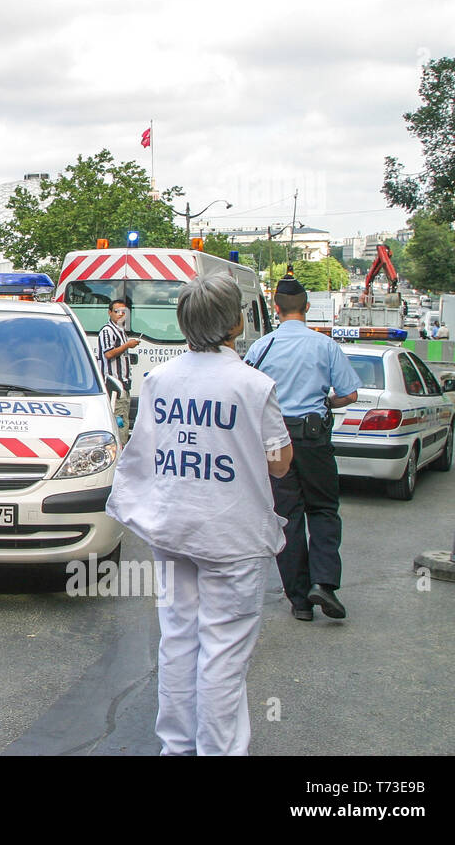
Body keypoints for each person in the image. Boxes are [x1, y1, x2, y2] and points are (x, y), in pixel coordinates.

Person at [106, 272, 293, 755]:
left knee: (178, 641)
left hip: (172, 529)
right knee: (224, 653)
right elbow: (280, 461)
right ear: (235, 323)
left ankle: (176, 747)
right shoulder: (253, 385)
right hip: (231, 535)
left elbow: (144, 448)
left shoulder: (160, 380)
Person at [244, 275, 359, 622]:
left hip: (276, 442)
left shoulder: (261, 347)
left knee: (288, 518)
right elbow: (349, 394)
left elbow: (249, 393)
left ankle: (300, 601)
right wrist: (327, 401)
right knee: (323, 508)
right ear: (307, 308)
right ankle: (324, 583)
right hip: (313, 439)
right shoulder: (325, 346)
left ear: (276, 309)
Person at [97, 299, 139, 444]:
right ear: (109, 313)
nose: (121, 314)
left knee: (124, 423)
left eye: (124, 312)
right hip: (114, 387)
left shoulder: (121, 330)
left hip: (124, 385)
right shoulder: (107, 331)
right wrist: (127, 345)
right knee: (118, 424)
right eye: (117, 311)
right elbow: (108, 354)